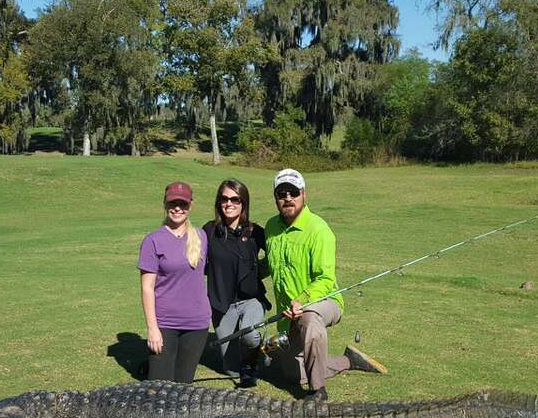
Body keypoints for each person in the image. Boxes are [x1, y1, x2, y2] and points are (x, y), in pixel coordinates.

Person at [264, 168, 387, 401]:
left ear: (304, 194)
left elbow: (325, 278)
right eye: (282, 193)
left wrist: (302, 300)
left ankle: (318, 390)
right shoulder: (271, 228)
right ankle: (349, 360)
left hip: (324, 302)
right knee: (291, 374)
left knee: (310, 319)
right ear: (275, 198)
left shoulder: (319, 230)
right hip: (289, 314)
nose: (288, 198)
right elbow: (269, 265)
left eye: (293, 192)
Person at [138, 181, 210, 383]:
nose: (177, 208)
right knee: (159, 387)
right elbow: (147, 288)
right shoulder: (152, 241)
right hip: (165, 324)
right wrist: (152, 328)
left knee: (184, 386)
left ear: (190, 205)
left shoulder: (202, 237)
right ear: (165, 204)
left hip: (197, 324)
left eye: (183, 203)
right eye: (173, 203)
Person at [203, 179, 271, 388]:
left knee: (250, 336)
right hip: (222, 303)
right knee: (230, 368)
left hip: (251, 299)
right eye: (224, 199)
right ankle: (255, 349)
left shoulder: (255, 232)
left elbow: (276, 256)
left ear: (244, 203)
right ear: (218, 202)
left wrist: (257, 272)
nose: (229, 203)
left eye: (235, 199)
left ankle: (256, 352)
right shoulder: (209, 231)